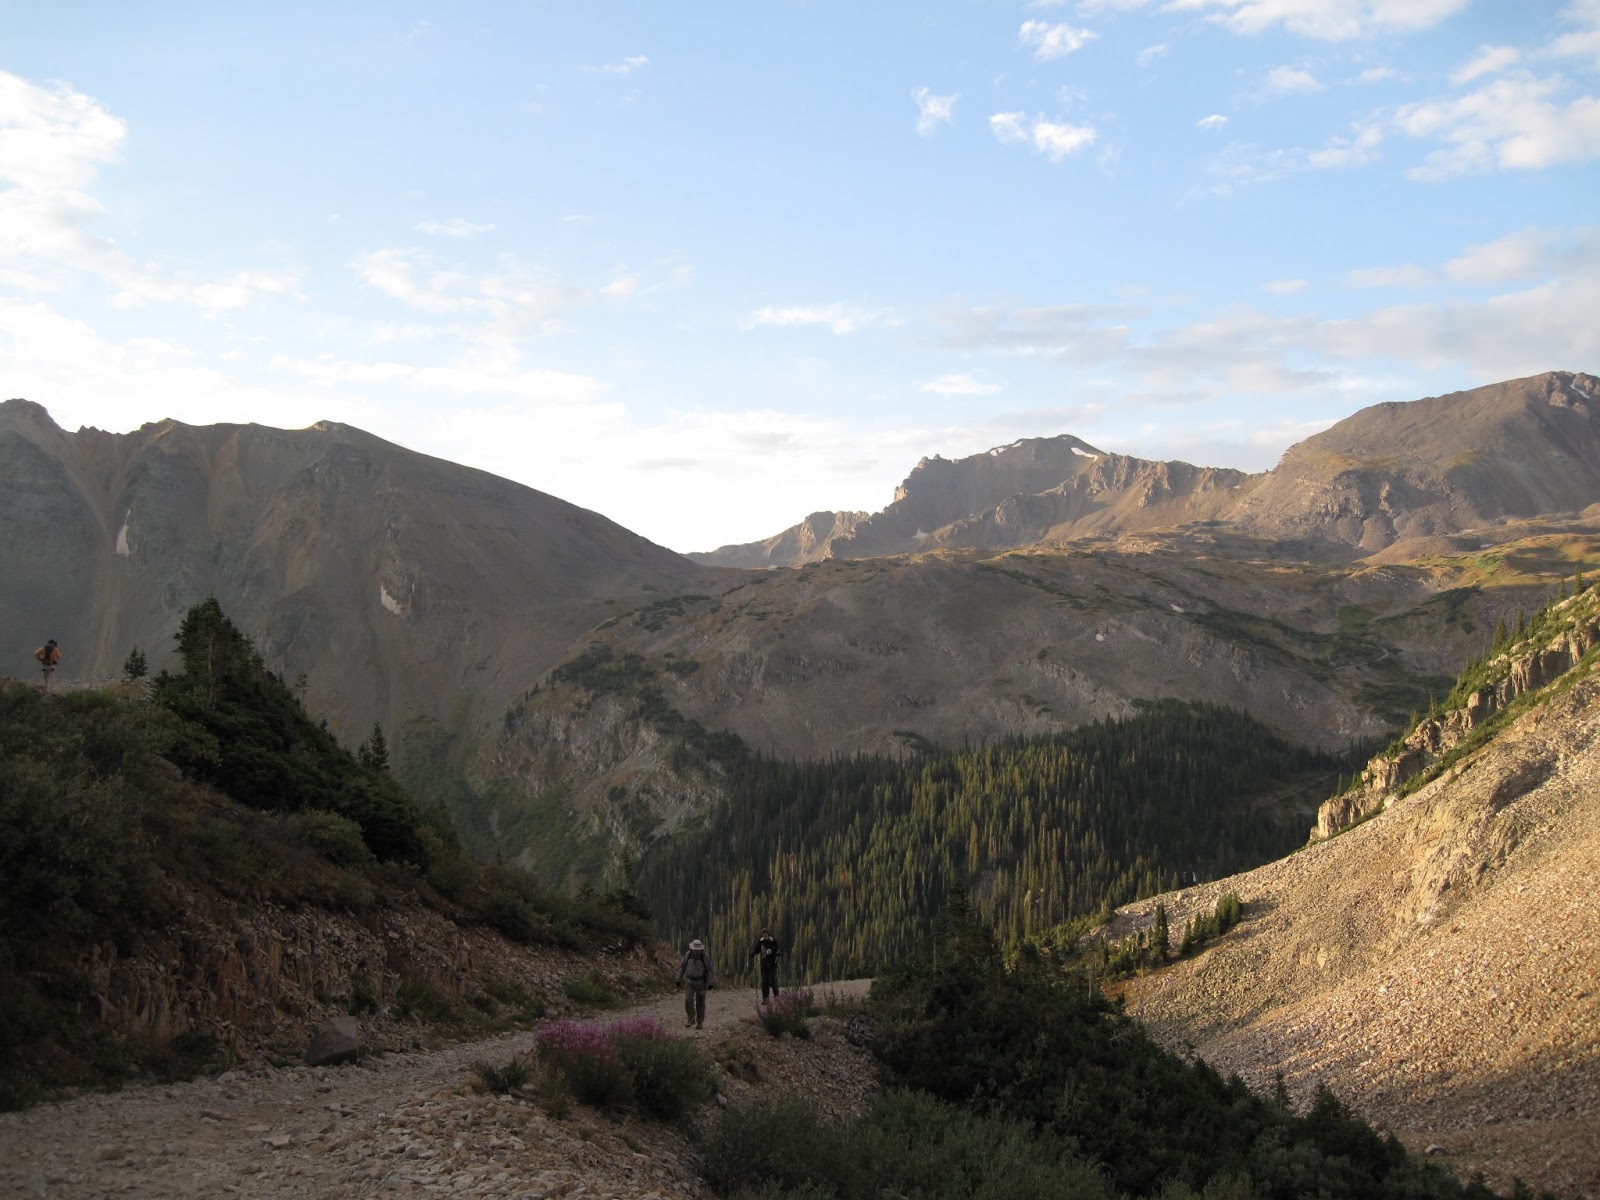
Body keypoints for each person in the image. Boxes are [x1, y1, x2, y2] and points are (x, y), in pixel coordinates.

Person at [676, 938, 714, 1029]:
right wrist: (678, 979)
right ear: (692, 948)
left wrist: (710, 982)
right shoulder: (688, 955)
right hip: (689, 981)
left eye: (698, 950)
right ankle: (691, 1018)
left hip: (701, 982)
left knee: (700, 1003)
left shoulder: (705, 957)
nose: (696, 951)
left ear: (701, 949)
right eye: (695, 950)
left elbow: (710, 971)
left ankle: (699, 1022)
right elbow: (682, 967)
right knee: (688, 1000)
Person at [749, 928, 782, 1003]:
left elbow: (778, 949)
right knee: (764, 982)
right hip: (764, 964)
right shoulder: (761, 942)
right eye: (764, 935)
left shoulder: (772, 941)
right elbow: (757, 950)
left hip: (772, 963)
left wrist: (777, 953)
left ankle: (776, 997)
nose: (765, 937)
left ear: (768, 934)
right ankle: (765, 999)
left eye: (766, 935)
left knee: (772, 981)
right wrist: (753, 954)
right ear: (762, 935)